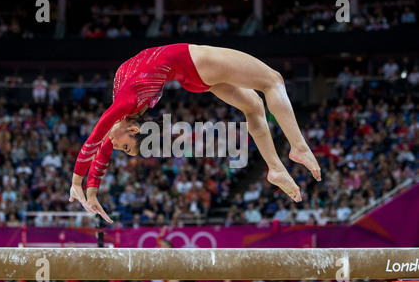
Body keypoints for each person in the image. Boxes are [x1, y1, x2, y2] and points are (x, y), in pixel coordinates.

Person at [68, 43, 321, 222]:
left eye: (124, 147)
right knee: (272, 80)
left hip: (193, 70)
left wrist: (81, 185)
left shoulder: (124, 103)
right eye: (125, 148)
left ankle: (276, 167)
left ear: (133, 129)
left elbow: (96, 140)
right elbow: (103, 148)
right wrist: (89, 191)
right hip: (194, 64)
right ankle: (297, 147)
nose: (114, 145)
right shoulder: (126, 113)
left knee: (255, 105)